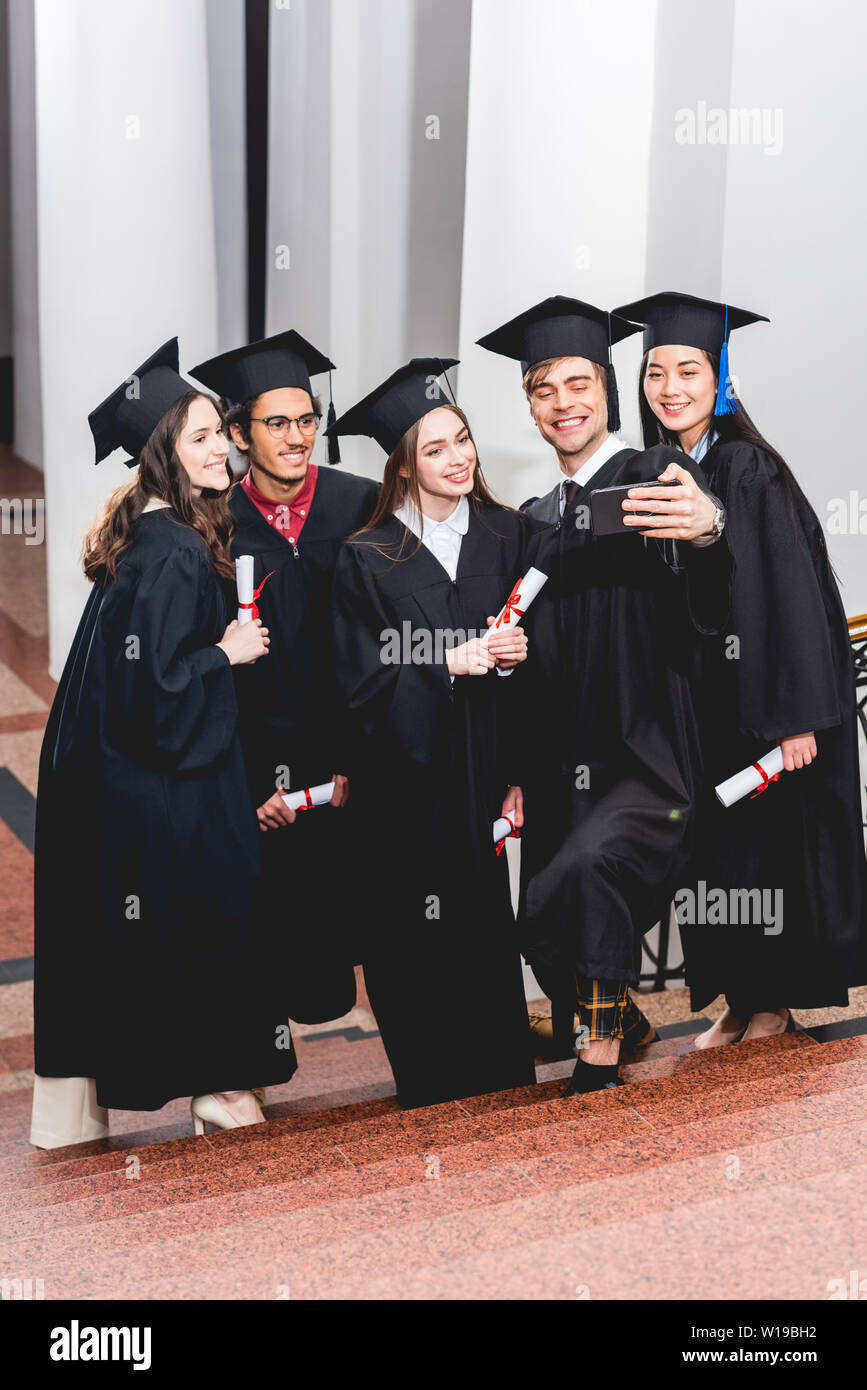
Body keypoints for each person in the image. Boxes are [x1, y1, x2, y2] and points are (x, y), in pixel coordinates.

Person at [31, 338, 295, 1147]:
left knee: (171, 929)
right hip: (168, 786)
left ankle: (208, 1079)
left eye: (222, 431)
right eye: (202, 437)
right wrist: (229, 652)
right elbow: (161, 694)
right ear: (164, 456)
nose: (225, 447)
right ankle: (214, 1085)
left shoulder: (143, 533)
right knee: (212, 914)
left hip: (119, 778)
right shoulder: (178, 549)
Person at [477, 296, 731, 1093]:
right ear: (529, 404)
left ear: (607, 389)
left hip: (646, 749)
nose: (564, 402)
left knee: (585, 876)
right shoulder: (530, 519)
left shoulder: (653, 474)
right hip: (561, 760)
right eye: (544, 388)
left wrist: (708, 523)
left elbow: (703, 556)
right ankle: (618, 1016)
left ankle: (596, 1059)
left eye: (578, 382)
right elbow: (532, 646)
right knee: (538, 917)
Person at [615, 289, 867, 1045]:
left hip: (765, 708)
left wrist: (794, 719)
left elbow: (787, 591)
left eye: (687, 370)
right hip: (707, 710)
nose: (670, 388)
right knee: (720, 858)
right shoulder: (666, 467)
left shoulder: (743, 465)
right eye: (655, 373)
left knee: (765, 857)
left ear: (719, 378)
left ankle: (769, 1003)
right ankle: (738, 994)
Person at [326, 359, 536, 1108]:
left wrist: (515, 659)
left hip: (483, 776)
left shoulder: (512, 537)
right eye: (436, 450)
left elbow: (552, 661)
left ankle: (501, 1090)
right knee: (410, 942)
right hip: (404, 790)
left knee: (483, 937)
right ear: (404, 467)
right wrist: (445, 663)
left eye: (462, 440)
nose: (458, 459)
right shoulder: (368, 557)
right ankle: (430, 1089)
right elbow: (357, 684)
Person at [190, 332, 379, 1033]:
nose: (298, 437)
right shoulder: (213, 528)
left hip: (358, 761)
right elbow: (204, 671)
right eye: (276, 423)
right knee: (276, 947)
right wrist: (246, 785)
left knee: (386, 925)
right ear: (239, 433)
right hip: (266, 768)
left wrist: (366, 761)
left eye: (307, 420)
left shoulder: (362, 504)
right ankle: (246, 1092)